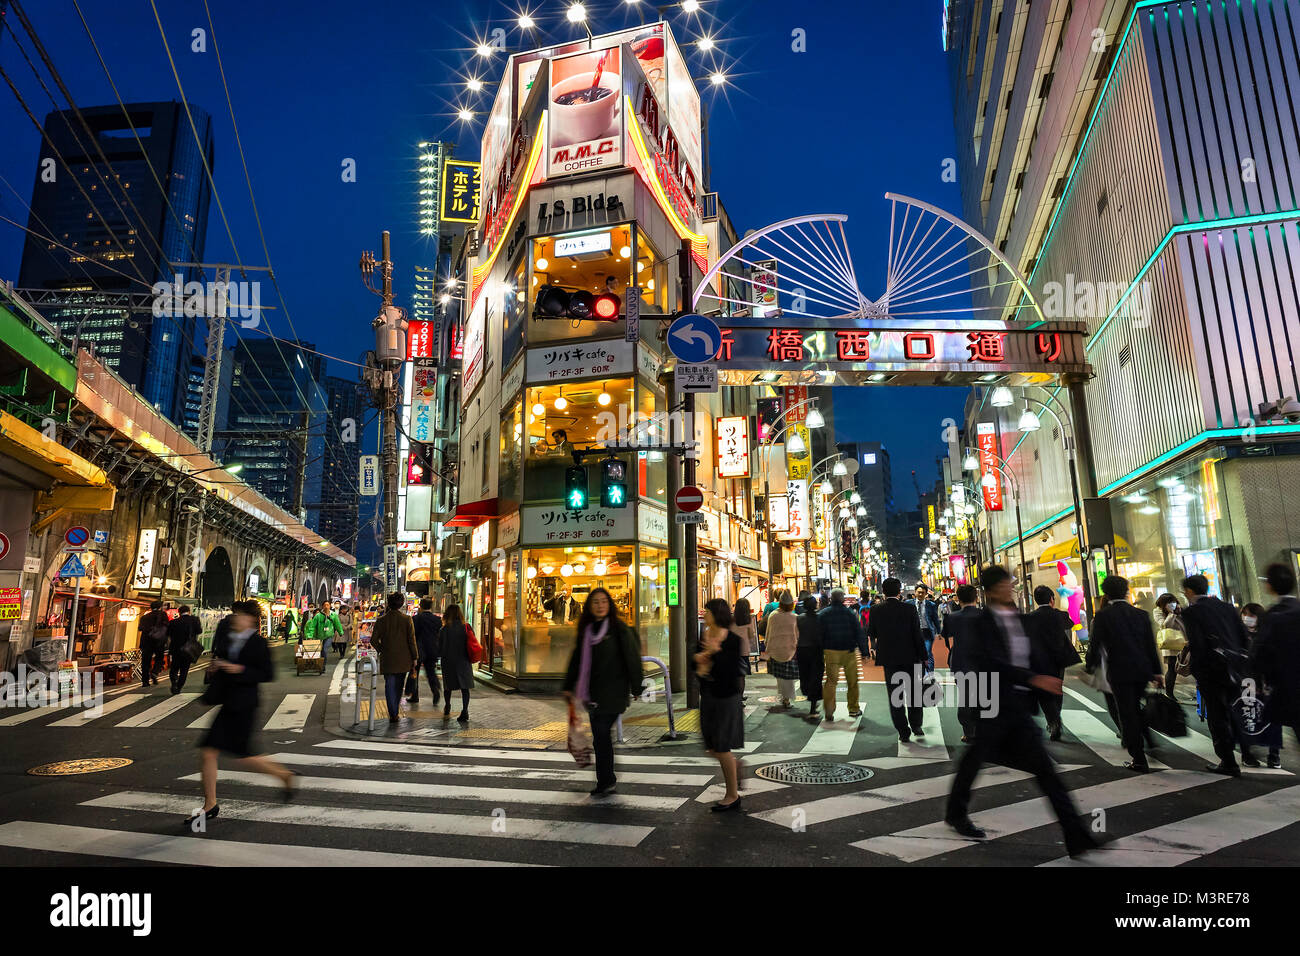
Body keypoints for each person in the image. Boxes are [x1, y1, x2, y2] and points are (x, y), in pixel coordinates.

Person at [945, 566, 1096, 856]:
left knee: (1036, 768)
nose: (1011, 588)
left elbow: (1032, 652)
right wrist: (1033, 678)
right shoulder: (981, 623)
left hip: (1017, 705)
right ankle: (1075, 835)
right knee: (985, 761)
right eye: (1005, 584)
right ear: (990, 591)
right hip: (994, 703)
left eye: (1010, 583)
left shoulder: (1017, 617)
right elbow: (991, 663)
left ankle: (1075, 835)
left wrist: (1060, 672)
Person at [188, 601, 296, 827]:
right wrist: (215, 668)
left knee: (245, 755)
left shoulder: (258, 643)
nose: (234, 620)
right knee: (208, 751)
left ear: (250, 620)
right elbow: (223, 666)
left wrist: (239, 669)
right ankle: (210, 804)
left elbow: (267, 673)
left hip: (245, 705)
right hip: (228, 702)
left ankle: (284, 776)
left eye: (239, 616)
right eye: (234, 616)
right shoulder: (228, 639)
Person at [562, 587, 644, 797]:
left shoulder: (619, 629)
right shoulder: (587, 630)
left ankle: (606, 780)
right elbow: (577, 660)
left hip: (613, 692)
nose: (600, 606)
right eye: (596, 602)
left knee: (600, 734)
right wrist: (568, 685)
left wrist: (636, 686)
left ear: (610, 605)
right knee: (600, 737)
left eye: (604, 601)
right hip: (592, 693)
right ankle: (606, 779)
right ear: (590, 606)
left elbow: (632, 659)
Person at [1086, 576, 1163, 771]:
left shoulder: (1104, 616)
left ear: (1106, 593)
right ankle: (1146, 739)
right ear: (1126, 591)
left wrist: (1090, 665)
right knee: (1136, 708)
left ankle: (1138, 758)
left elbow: (1096, 645)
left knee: (1127, 713)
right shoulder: (1141, 615)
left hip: (1119, 671)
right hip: (1142, 669)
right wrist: (1157, 672)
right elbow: (1150, 645)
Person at [1181, 573, 1248, 776]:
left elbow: (1197, 644)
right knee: (1236, 710)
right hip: (1233, 667)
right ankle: (1247, 753)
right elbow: (1243, 636)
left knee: (1217, 714)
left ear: (1190, 591)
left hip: (1210, 670)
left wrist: (1196, 670)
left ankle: (1228, 760)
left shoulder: (1192, 612)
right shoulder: (1226, 607)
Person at [695, 599, 745, 811]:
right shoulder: (704, 637)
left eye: (707, 611)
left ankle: (732, 795)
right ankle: (735, 765)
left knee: (722, 747)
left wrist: (714, 654)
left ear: (717, 614)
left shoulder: (733, 639)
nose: (704, 614)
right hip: (707, 696)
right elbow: (694, 662)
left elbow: (732, 670)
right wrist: (700, 657)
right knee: (711, 746)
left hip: (726, 698)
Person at [868, 578, 927, 741]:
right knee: (914, 693)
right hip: (911, 656)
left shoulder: (875, 610)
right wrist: (924, 656)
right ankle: (916, 725)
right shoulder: (909, 609)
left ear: (883, 592)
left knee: (896, 696)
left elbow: (871, 632)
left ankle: (903, 730)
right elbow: (917, 634)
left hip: (889, 657)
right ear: (899, 591)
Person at [1254, 562, 1300, 765]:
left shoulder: (1272, 616)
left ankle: (1273, 757)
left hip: (1287, 687)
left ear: (1270, 587)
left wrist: (1258, 680)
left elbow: (1260, 653)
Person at [1026, 585, 1081, 741]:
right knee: (1057, 687)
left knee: (1043, 692)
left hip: (1038, 659)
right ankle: (1056, 717)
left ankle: (1053, 720)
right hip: (1058, 659)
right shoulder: (1059, 615)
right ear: (1051, 599)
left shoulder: (1030, 617)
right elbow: (1070, 624)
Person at [818, 588, 870, 722]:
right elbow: (859, 633)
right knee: (852, 682)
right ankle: (853, 708)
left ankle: (829, 710)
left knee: (831, 682)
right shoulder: (850, 614)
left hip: (830, 651)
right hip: (849, 651)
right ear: (842, 599)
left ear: (831, 599)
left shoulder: (823, 614)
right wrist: (865, 652)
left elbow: (818, 635)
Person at [942, 584, 983, 741]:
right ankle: (982, 729)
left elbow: (946, 636)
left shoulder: (952, 617)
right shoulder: (985, 616)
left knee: (966, 697)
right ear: (976, 598)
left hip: (961, 661)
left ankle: (968, 731)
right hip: (983, 662)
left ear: (958, 599)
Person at [369, 593, 418, 724]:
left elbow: (373, 640)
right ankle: (395, 710)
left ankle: (393, 713)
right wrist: (415, 657)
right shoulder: (407, 619)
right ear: (401, 604)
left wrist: (381, 649)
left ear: (388, 603)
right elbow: (412, 641)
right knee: (399, 685)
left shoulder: (381, 620)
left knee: (389, 684)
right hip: (404, 658)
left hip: (388, 658)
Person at [762, 592, 799, 709]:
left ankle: (784, 697)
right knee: (789, 678)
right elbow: (797, 635)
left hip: (775, 649)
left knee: (781, 678)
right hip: (790, 650)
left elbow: (768, 633)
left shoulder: (773, 615)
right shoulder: (794, 617)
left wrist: (767, 645)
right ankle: (786, 699)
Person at [438, 604, 474, 722]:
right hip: (464, 661)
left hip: (449, 661)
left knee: (448, 686)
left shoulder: (444, 629)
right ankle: (465, 710)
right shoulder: (466, 627)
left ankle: (447, 705)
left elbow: (440, 647)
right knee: (465, 687)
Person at [795, 595, 825, 720]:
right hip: (816, 649)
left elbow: (796, 634)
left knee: (805, 674)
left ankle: (808, 693)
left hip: (802, 649)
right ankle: (813, 704)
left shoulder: (800, 618)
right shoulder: (820, 618)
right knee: (816, 677)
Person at [1153, 593, 1187, 698]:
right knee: (1172, 668)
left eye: (1174, 602)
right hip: (1170, 643)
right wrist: (1171, 613)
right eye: (1169, 602)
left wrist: (1179, 612)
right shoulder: (1158, 611)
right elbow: (1164, 625)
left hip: (1183, 641)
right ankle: (1169, 694)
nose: (1173, 604)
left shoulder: (1180, 609)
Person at [412, 597, 443, 709]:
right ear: (431, 607)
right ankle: (435, 690)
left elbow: (413, 635)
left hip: (418, 650)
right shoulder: (437, 620)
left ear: (421, 606)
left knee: (415, 672)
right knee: (431, 672)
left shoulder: (416, 619)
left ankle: (414, 695)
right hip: (432, 650)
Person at [166, 604, 203, 694]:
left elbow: (168, 634)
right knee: (184, 670)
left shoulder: (173, 622)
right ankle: (178, 687)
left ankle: (174, 683)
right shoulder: (194, 620)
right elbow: (199, 631)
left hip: (176, 649)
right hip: (188, 649)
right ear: (189, 611)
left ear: (179, 612)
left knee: (174, 668)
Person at [907, 584, 942, 677]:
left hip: (927, 632)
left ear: (926, 593)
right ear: (915, 593)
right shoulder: (908, 604)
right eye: (919, 592)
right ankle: (918, 673)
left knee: (927, 652)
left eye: (923, 592)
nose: (920, 594)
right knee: (915, 653)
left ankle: (930, 674)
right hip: (913, 633)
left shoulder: (931, 605)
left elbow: (935, 619)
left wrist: (939, 632)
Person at [137, 600, 170, 687]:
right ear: (160, 607)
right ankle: (155, 672)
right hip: (158, 641)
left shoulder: (144, 617)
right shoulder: (163, 615)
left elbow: (140, 628)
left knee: (145, 661)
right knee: (159, 658)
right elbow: (167, 626)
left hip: (146, 642)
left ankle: (145, 681)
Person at [733, 598, 757, 695]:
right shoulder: (749, 620)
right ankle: (740, 697)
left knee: (734, 675)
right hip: (744, 651)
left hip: (733, 651)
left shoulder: (732, 620)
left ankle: (735, 695)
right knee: (742, 676)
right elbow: (751, 636)